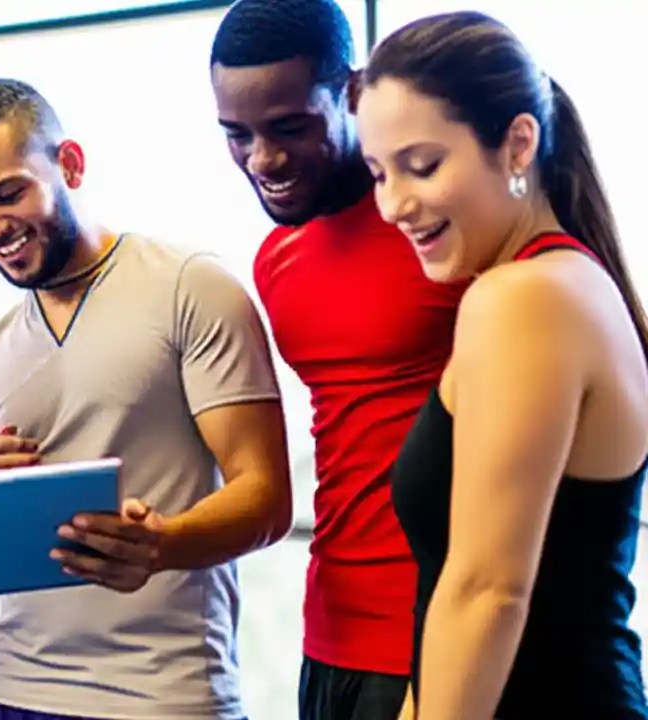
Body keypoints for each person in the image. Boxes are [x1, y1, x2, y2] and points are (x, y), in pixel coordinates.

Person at [0, 77, 294, 720]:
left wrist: (163, 545)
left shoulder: (191, 288)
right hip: (15, 688)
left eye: (7, 194)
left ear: (69, 164)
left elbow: (266, 499)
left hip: (162, 695)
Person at [356, 11, 648, 720]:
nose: (393, 204)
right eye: (377, 173)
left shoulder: (523, 297)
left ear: (518, 144)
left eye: (422, 166)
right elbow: (449, 592)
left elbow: (488, 591)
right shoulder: (554, 283)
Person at [208, 2, 466, 718]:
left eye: (291, 127)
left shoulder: (446, 234)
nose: (263, 159)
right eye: (238, 135)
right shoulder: (276, 259)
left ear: (353, 93)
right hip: (328, 641)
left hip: (445, 636)